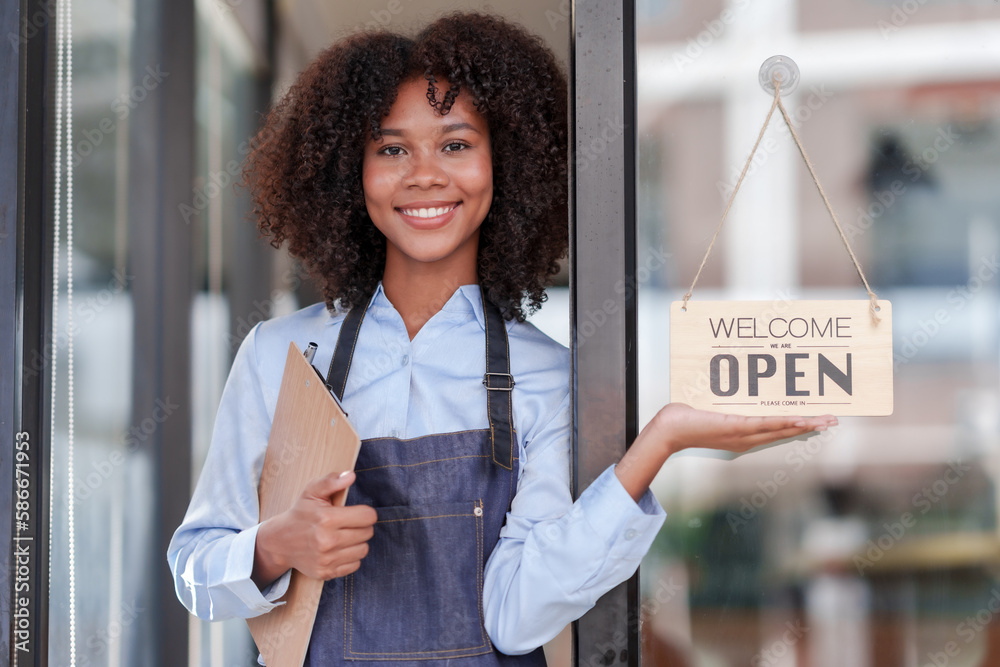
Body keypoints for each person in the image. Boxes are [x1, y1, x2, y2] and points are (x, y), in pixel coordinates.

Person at [167, 12, 836, 665]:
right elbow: (193, 567)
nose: (425, 174)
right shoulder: (279, 356)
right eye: (392, 149)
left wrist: (657, 443)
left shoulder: (547, 375)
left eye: (456, 145)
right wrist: (275, 547)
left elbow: (517, 618)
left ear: (507, 164)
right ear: (350, 172)